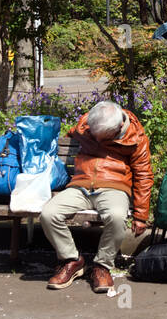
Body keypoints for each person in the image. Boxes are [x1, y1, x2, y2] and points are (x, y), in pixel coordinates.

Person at [40, 101, 152, 293]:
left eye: (104, 137)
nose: (98, 140)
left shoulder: (136, 138)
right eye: (95, 136)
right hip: (80, 185)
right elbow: (73, 132)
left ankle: (102, 266)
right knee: (48, 214)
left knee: (116, 217)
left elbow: (143, 175)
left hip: (114, 186)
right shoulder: (87, 125)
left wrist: (141, 215)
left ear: (117, 128)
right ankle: (72, 260)